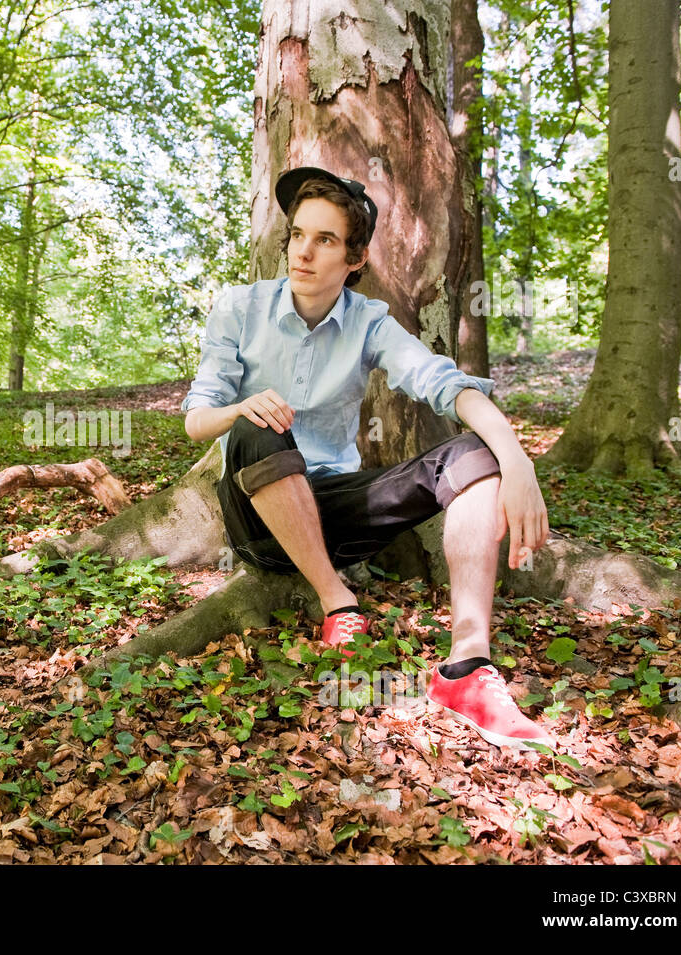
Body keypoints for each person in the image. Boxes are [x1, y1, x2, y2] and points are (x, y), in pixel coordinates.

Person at [181, 166, 553, 750]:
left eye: (324, 240)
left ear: (354, 260)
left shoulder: (368, 322)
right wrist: (240, 408)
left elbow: (443, 383)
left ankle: (467, 667)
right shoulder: (239, 308)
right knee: (258, 426)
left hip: (335, 510)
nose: (303, 252)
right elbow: (196, 420)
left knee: (477, 456)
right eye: (298, 234)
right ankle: (338, 601)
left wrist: (517, 460)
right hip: (257, 515)